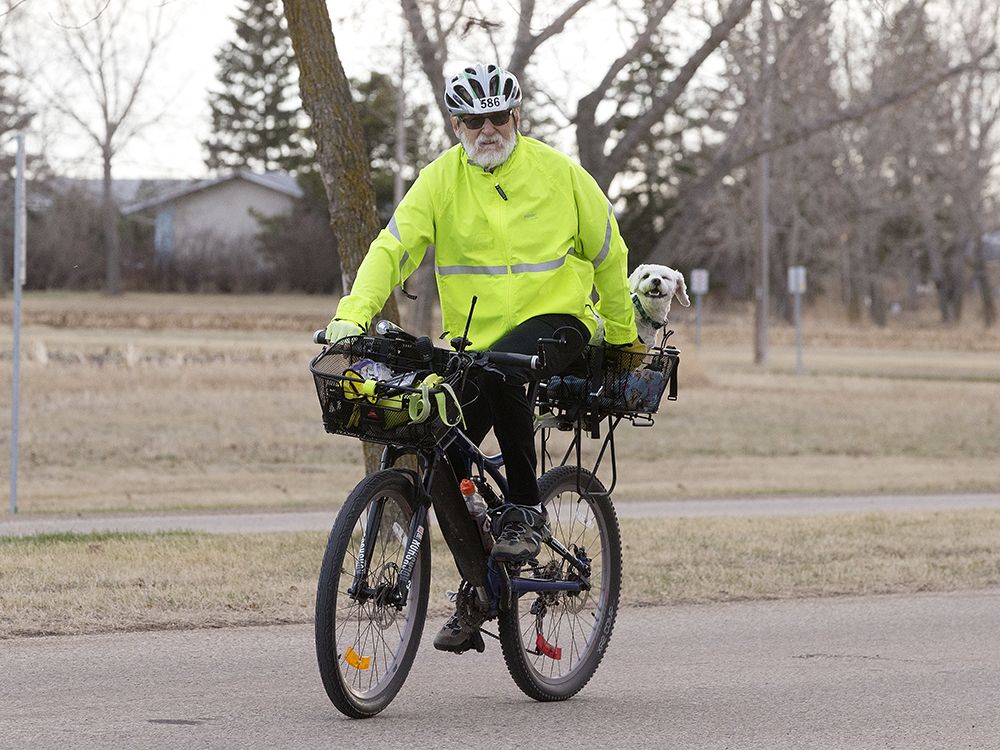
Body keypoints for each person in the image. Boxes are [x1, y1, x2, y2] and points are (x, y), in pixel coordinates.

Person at [324, 63, 640, 652]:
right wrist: (352, 317)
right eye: (474, 120)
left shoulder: (561, 176)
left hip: (560, 326)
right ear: (457, 124)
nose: (487, 129)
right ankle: (484, 588)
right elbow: (392, 249)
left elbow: (609, 254)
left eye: (498, 117)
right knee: (436, 447)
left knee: (501, 370)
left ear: (516, 118)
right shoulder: (440, 180)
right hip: (479, 341)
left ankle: (523, 510)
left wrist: (622, 339)